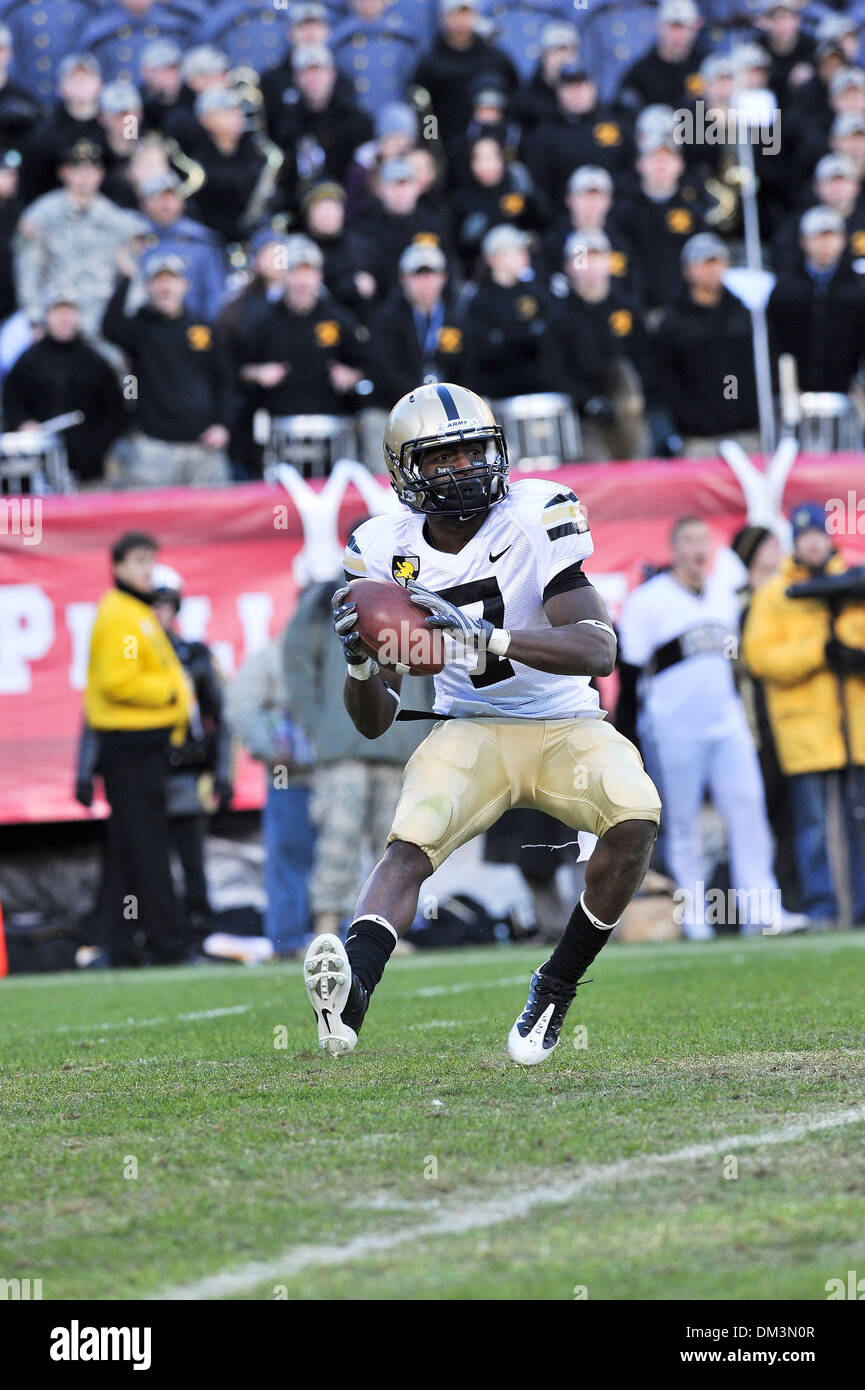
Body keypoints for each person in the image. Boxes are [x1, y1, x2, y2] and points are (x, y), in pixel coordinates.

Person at [302, 381, 662, 1061]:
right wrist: (357, 663)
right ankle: (349, 996)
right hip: (470, 725)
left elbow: (598, 648)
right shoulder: (381, 549)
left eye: (474, 451)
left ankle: (555, 985)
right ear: (407, 471)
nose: (464, 467)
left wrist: (483, 636)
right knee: (410, 845)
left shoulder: (534, 514)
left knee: (635, 818)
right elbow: (374, 722)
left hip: (562, 722)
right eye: (442, 457)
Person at [617, 516, 806, 940]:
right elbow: (629, 674)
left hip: (727, 722)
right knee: (682, 825)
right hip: (673, 727)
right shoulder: (649, 599)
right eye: (688, 540)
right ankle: (695, 920)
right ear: (674, 548)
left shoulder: (725, 590)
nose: (698, 548)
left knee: (749, 812)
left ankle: (764, 912)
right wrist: (628, 739)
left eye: (704, 539)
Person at [283, 574, 432, 939]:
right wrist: (321, 727)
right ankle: (327, 927)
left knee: (398, 844)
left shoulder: (421, 595)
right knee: (338, 838)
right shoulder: (326, 599)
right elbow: (297, 663)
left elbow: (438, 669)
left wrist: (425, 728)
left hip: (402, 749)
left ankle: (388, 934)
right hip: (342, 751)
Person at [742, 502, 865, 927]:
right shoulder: (775, 592)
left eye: (818, 533)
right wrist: (819, 653)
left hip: (858, 727)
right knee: (812, 828)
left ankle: (861, 908)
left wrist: (855, 654)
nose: (812, 542)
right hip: (804, 732)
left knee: (861, 822)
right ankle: (822, 908)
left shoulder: (855, 580)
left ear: (829, 536)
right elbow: (759, 657)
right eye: (803, 535)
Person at [84, 531, 190, 966]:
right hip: (130, 749)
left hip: (138, 748)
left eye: (152, 561)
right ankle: (166, 945)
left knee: (131, 851)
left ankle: (122, 944)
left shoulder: (134, 611)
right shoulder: (121, 615)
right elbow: (118, 681)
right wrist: (170, 693)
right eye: (139, 562)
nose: (148, 570)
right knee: (146, 849)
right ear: (118, 567)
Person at [102, 248, 233, 487]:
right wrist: (126, 279)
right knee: (152, 521)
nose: (165, 288)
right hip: (154, 447)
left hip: (204, 445)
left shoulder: (203, 328)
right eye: (158, 281)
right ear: (147, 287)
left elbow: (224, 380)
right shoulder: (138, 328)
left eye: (171, 281)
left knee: (212, 520)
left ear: (185, 285)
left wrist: (223, 425)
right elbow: (109, 327)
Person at [151, 564, 233, 940]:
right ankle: (154, 931)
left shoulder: (195, 654)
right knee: (145, 858)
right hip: (140, 772)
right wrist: (88, 769)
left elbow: (223, 715)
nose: (158, 611)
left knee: (191, 858)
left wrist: (223, 772)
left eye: (165, 603)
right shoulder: (127, 654)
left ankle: (198, 929)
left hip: (185, 770)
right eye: (151, 603)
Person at [226, 637, 316, 959]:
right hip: (290, 779)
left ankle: (350, 939)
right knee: (288, 860)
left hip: (340, 775)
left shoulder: (346, 651)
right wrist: (268, 749)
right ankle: (288, 943)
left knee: (345, 860)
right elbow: (240, 704)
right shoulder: (273, 657)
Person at [14, 137, 146, 349]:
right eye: (77, 169)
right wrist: (35, 320)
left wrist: (127, 323)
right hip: (57, 323)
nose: (85, 176)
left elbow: (132, 276)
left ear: (101, 174)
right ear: (64, 173)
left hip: (104, 326)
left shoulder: (119, 221)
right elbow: (28, 272)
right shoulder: (41, 217)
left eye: (92, 169)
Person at [2, 288, 126, 484]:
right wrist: (23, 423)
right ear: (47, 317)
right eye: (58, 313)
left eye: (68, 313)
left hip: (87, 471)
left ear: (77, 317)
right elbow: (12, 399)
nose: (64, 319)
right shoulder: (28, 359)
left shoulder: (96, 361)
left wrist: (95, 449)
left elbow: (115, 410)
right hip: (39, 472)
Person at [653, 233, 760, 456]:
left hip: (745, 432)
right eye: (703, 262)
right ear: (687, 270)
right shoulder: (673, 322)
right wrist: (689, 417)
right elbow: (665, 376)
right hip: (698, 438)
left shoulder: (744, 313)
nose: (711, 269)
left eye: (717, 261)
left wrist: (746, 408)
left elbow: (757, 366)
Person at [768, 206, 865, 392]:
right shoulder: (785, 288)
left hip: (849, 389)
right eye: (818, 237)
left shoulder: (858, 288)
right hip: (793, 389)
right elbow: (775, 340)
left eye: (831, 236)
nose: (825, 244)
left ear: (843, 240)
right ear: (803, 241)